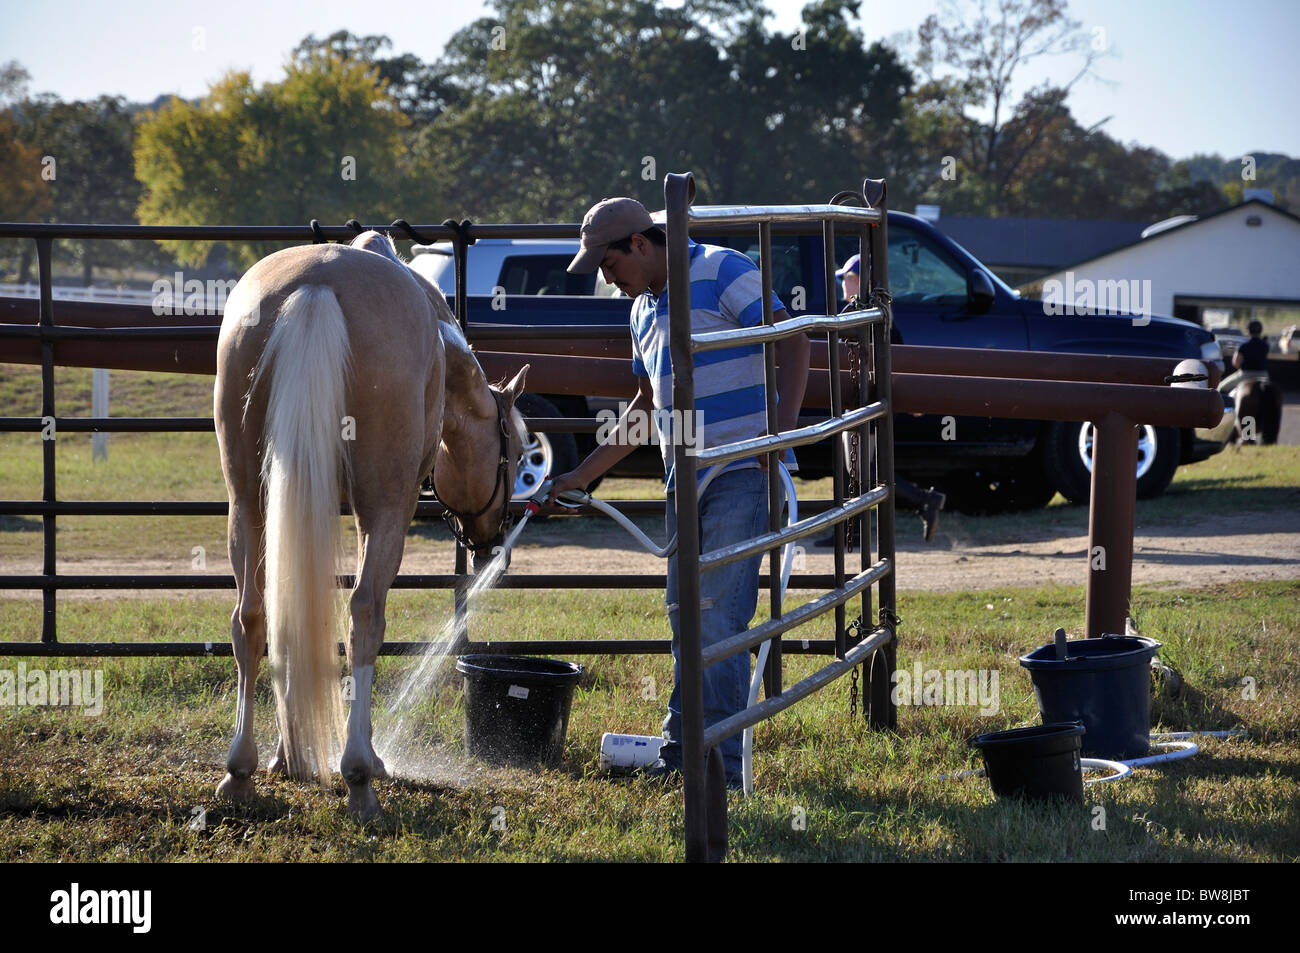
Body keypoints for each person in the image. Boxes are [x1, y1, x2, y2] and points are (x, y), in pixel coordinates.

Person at [548, 197, 810, 789]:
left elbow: (792, 341)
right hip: (683, 478)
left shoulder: (722, 270)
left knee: (716, 617)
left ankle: (715, 766)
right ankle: (686, 750)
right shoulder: (641, 308)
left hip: (743, 468)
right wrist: (582, 476)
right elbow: (645, 407)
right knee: (686, 617)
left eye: (609, 267)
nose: (609, 283)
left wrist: (781, 431)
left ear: (640, 244)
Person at [820, 254, 945, 544]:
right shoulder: (874, 314)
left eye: (847, 277)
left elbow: (891, 366)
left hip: (867, 401)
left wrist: (910, 400)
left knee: (862, 470)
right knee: (858, 468)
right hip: (862, 399)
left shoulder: (871, 316)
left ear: (861, 281)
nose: (842, 282)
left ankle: (920, 500)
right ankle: (855, 528)